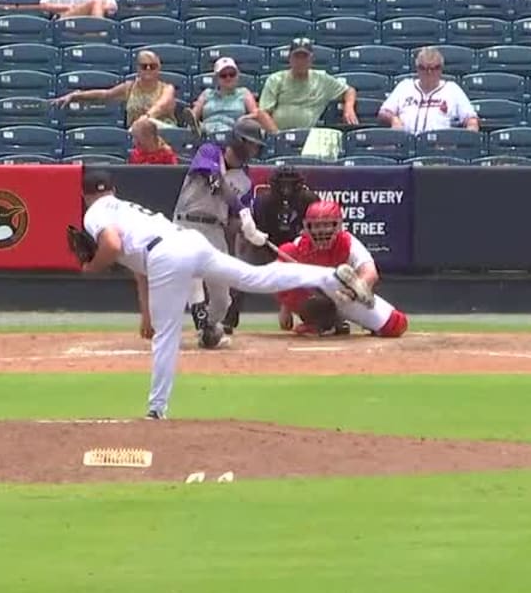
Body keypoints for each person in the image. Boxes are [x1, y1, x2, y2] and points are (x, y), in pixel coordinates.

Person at [76, 169, 374, 420]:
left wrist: (91, 267)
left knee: (167, 335)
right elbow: (137, 266)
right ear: (114, 190)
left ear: (84, 195)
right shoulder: (125, 207)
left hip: (165, 255)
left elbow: (112, 247)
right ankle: (329, 275)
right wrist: (146, 311)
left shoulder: (94, 212)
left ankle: (156, 410)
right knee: (255, 277)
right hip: (189, 241)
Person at [171, 116, 273, 349]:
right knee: (194, 280)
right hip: (186, 224)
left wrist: (250, 230)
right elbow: (217, 182)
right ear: (238, 140)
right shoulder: (209, 152)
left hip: (215, 230)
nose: (254, 149)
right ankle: (200, 326)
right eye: (251, 143)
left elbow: (236, 219)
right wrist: (243, 211)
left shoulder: (246, 179)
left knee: (222, 300)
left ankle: (208, 332)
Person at [274, 199, 409, 339]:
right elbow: (288, 283)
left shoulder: (349, 244)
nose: (321, 231)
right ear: (307, 227)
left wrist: (356, 289)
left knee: (395, 324)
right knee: (283, 263)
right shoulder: (297, 247)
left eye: (326, 225)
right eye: (316, 226)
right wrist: (285, 309)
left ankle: (338, 321)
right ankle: (319, 323)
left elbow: (370, 272)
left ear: (337, 226)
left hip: (345, 296)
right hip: (314, 296)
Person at [222, 163, 318, 335]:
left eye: (290, 185)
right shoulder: (263, 201)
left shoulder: (309, 200)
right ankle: (227, 320)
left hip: (296, 249)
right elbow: (251, 230)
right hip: (263, 245)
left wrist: (286, 306)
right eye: (283, 185)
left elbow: (314, 234)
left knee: (316, 274)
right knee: (241, 274)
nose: (286, 190)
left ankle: (319, 318)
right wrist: (256, 238)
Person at [53, 49, 175, 127]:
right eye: (144, 66)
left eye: (152, 66)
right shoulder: (129, 87)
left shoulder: (167, 89)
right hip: (137, 137)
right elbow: (105, 94)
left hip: (163, 134)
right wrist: (76, 95)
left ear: (159, 68)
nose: (148, 69)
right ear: (137, 69)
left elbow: (161, 106)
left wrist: (146, 118)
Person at [259, 37, 359, 131]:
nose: (300, 61)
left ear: (311, 59)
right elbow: (263, 113)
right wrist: (277, 135)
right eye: (297, 56)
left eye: (304, 57)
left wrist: (349, 107)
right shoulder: (275, 79)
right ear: (289, 58)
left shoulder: (322, 79)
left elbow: (349, 91)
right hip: (277, 134)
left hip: (308, 136)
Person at [379, 47, 480, 134]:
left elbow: (471, 119)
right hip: (405, 143)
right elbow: (384, 112)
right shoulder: (405, 86)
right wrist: (394, 119)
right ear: (417, 69)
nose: (429, 73)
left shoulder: (452, 89)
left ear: (441, 69)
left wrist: (469, 132)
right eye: (424, 68)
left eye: (434, 68)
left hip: (439, 147)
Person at [191, 57, 271, 138]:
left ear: (237, 76)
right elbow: (192, 117)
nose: (228, 78)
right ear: (216, 78)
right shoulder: (206, 94)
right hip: (207, 133)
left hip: (234, 136)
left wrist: (243, 119)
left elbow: (255, 114)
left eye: (232, 74)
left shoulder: (244, 93)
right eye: (223, 75)